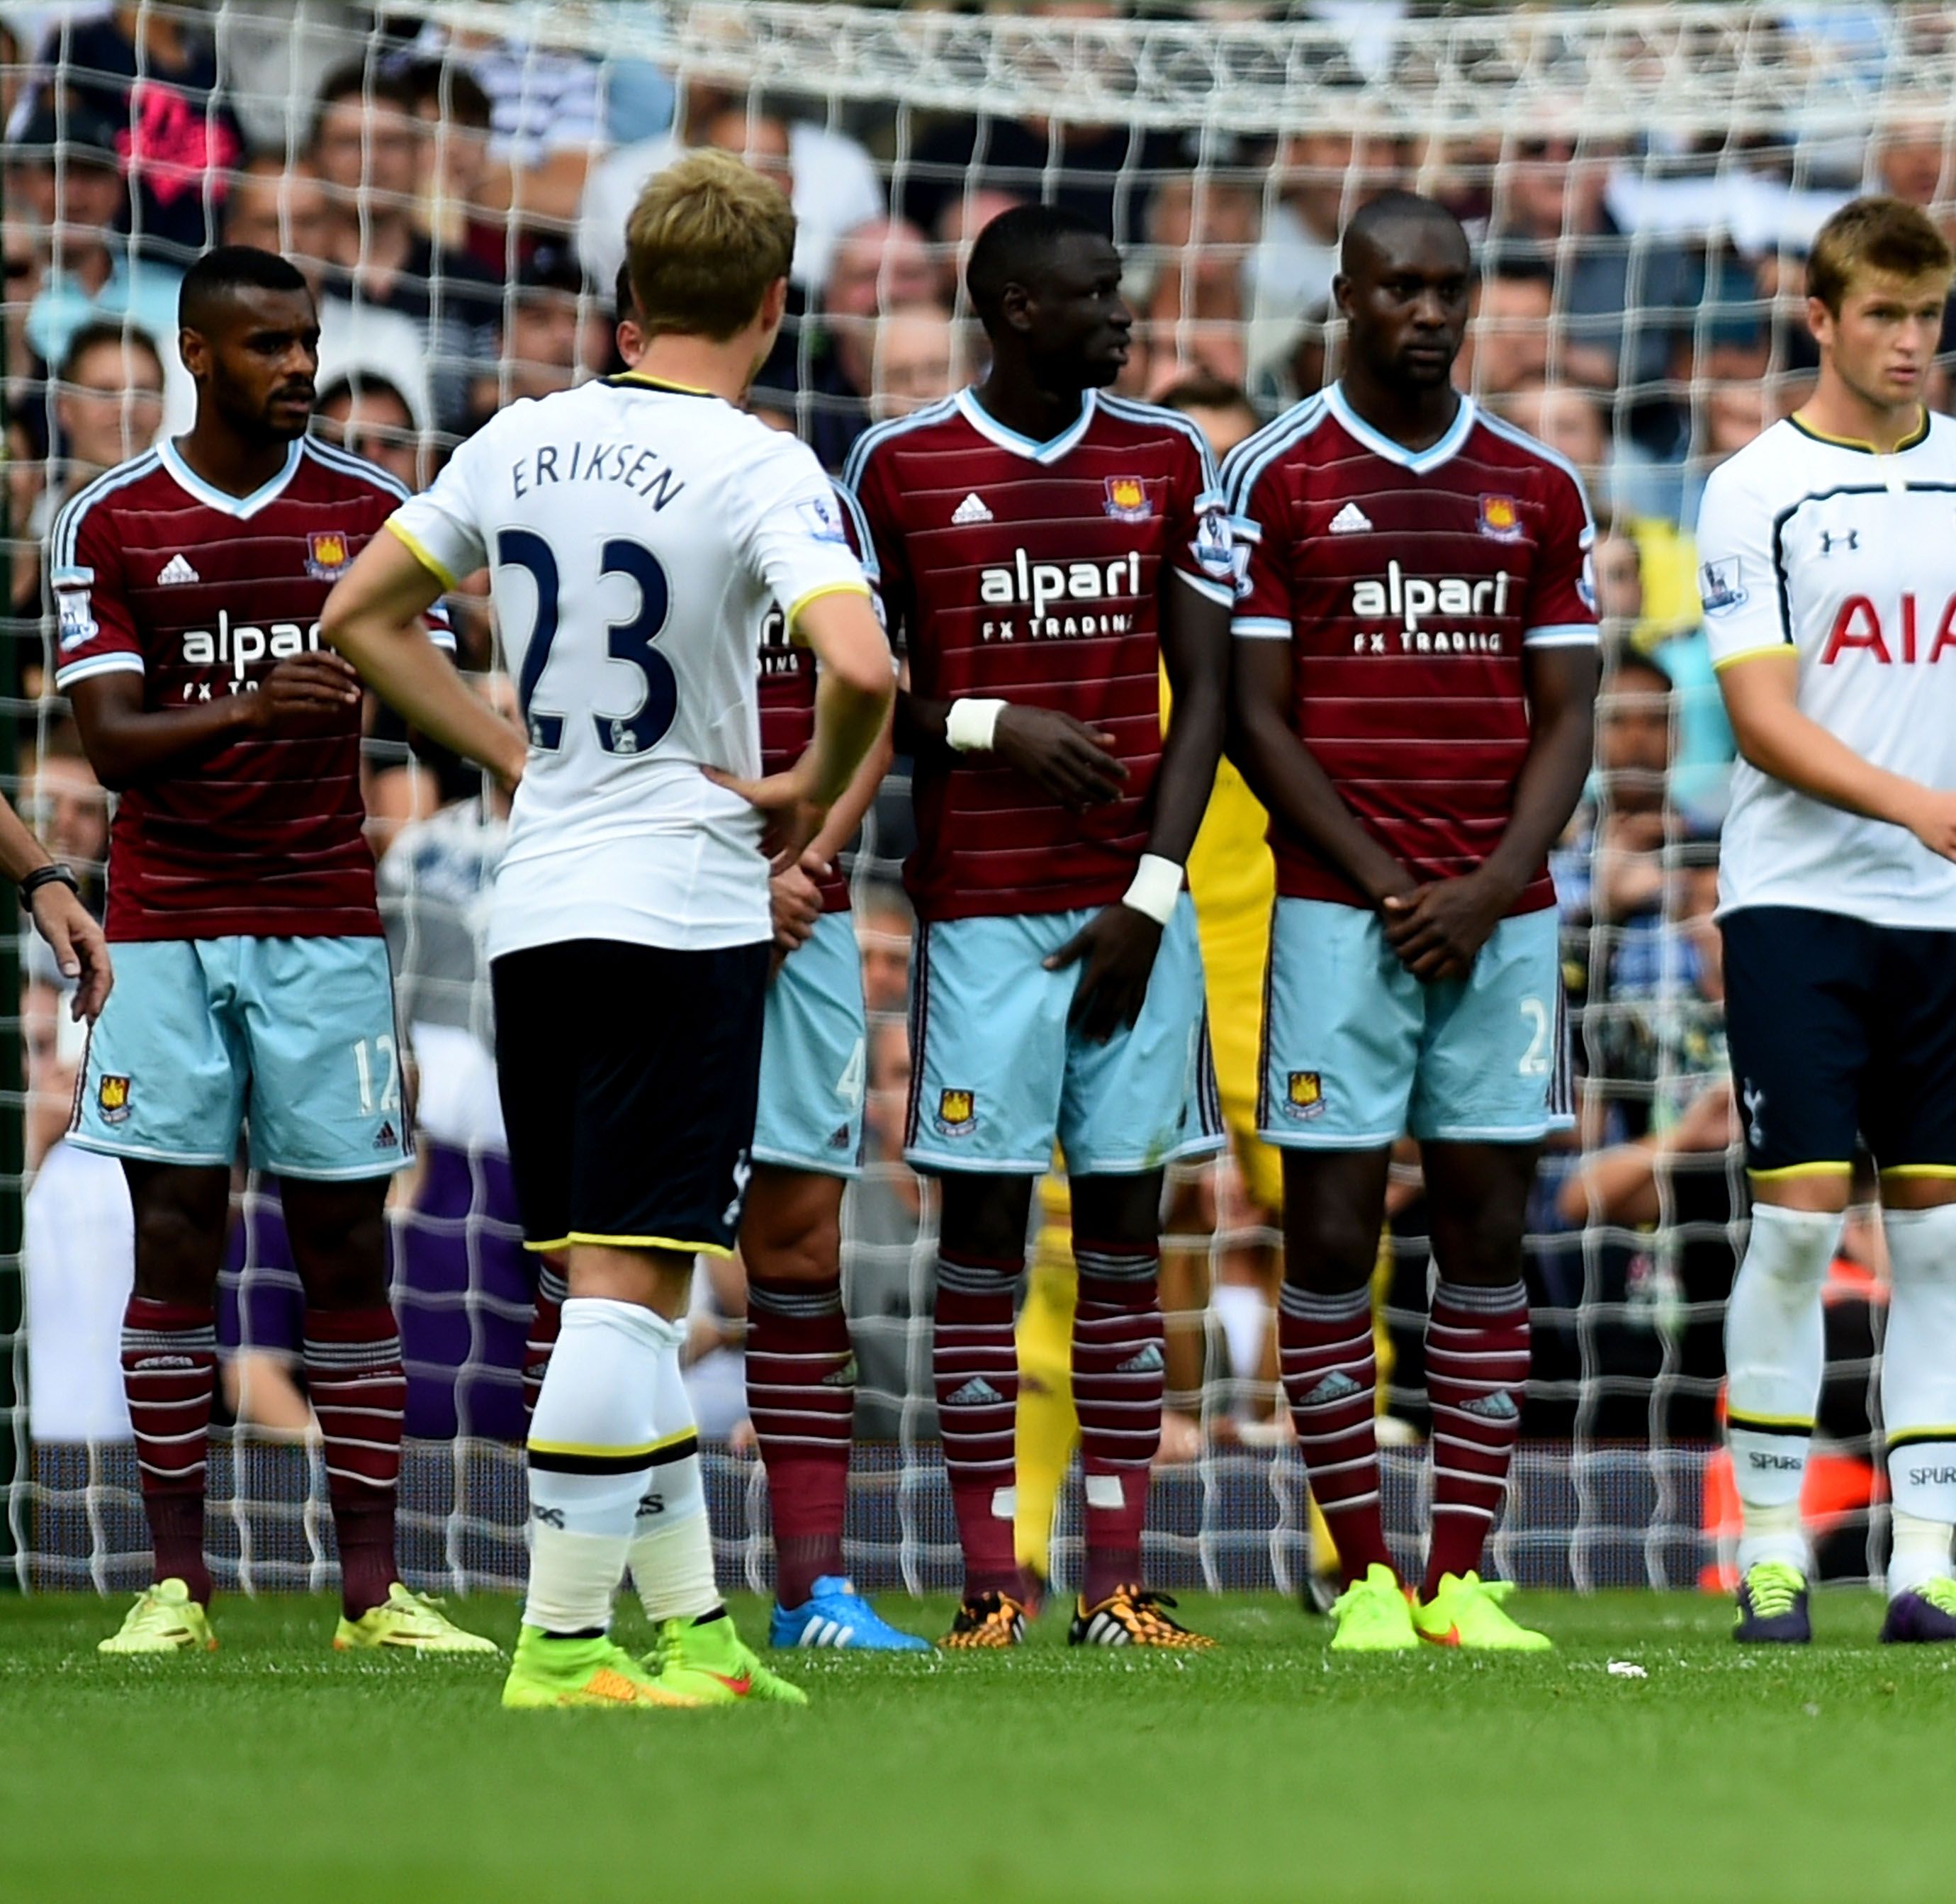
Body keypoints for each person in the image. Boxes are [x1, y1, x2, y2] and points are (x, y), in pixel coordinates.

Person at [326, 150, 894, 1708]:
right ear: (777, 306)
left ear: (630, 298)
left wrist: (507, 753)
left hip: (542, 900)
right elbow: (864, 667)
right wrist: (803, 787)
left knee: (607, 1283)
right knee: (633, 1287)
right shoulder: (762, 463)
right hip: (680, 904)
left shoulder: (518, 437)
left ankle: (694, 1627)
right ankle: (563, 1642)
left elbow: (359, 615)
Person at [49, 247, 489, 1662]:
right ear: (197, 350)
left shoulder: (373, 515)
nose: (299, 366)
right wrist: (255, 704)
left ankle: (375, 1595)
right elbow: (108, 740)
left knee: (348, 1244)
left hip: (325, 920)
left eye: (306, 341)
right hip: (164, 923)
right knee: (174, 1238)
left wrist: (463, 665)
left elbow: (430, 703)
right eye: (269, 345)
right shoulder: (110, 517)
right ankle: (177, 1585)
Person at [1694, 194, 1956, 1647]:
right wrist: (1917, 806)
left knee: (1937, 1241)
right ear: (1819, 318)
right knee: (1800, 1224)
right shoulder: (1755, 487)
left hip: (1949, 912)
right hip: (1799, 898)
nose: (1910, 341)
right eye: (1882, 314)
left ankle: (1925, 1564)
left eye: (1929, 315)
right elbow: (1760, 722)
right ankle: (1768, 1553)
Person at [843, 205, 1232, 1652]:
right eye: (1095, 294)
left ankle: (1121, 1580)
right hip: (979, 914)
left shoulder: (1171, 456)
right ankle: (992, 1580)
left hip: (1133, 912)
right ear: (1013, 307)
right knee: (982, 1248)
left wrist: (1151, 886)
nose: (1122, 315)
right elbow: (858, 688)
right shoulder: (896, 466)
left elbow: (1210, 700)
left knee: (1129, 1245)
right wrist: (992, 722)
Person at [1219, 191, 1602, 1652]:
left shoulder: (1537, 484)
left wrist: (1495, 883)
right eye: (1400, 288)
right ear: (1345, 293)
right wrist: (1393, 882)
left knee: (1487, 1236)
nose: (1429, 312)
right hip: (1337, 914)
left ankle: (1460, 1574)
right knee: (1327, 1235)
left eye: (1451, 287)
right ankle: (1363, 1571)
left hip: (1499, 917)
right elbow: (1256, 718)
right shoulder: (1275, 475)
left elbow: (1567, 716)